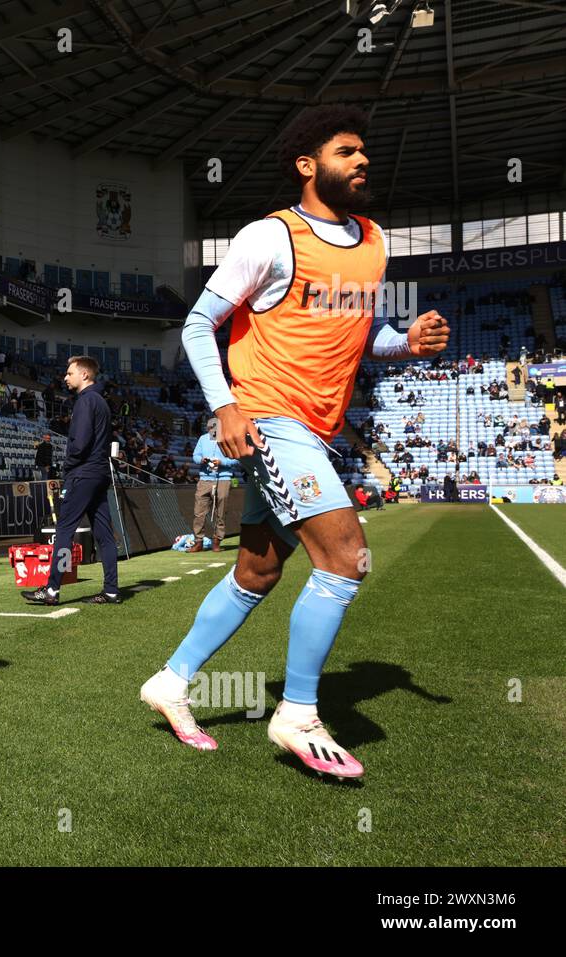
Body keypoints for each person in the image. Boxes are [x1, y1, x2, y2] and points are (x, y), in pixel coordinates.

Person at [137, 105, 450, 778]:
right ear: (309, 166)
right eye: (347, 151)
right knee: (345, 557)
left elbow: (360, 334)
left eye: (364, 151)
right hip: (270, 419)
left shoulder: (373, 240)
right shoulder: (269, 236)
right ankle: (298, 713)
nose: (362, 160)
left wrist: (406, 343)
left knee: (258, 570)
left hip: (317, 430)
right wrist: (224, 405)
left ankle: (171, 679)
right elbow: (198, 324)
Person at [23, 356, 120, 605]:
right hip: (98, 473)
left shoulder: (86, 401)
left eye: (69, 373)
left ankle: (52, 589)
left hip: (82, 473)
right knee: (104, 534)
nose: (65, 378)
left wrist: (68, 466)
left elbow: (80, 442)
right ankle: (111, 590)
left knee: (64, 530)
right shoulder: (101, 401)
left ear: (85, 375)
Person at [189, 416, 239, 552]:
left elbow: (237, 459)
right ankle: (198, 542)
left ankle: (217, 541)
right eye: (211, 427)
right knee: (198, 512)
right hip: (205, 479)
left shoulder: (228, 439)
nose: (212, 429)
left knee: (221, 511)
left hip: (223, 479)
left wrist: (223, 462)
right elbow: (195, 456)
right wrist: (201, 459)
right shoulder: (203, 439)